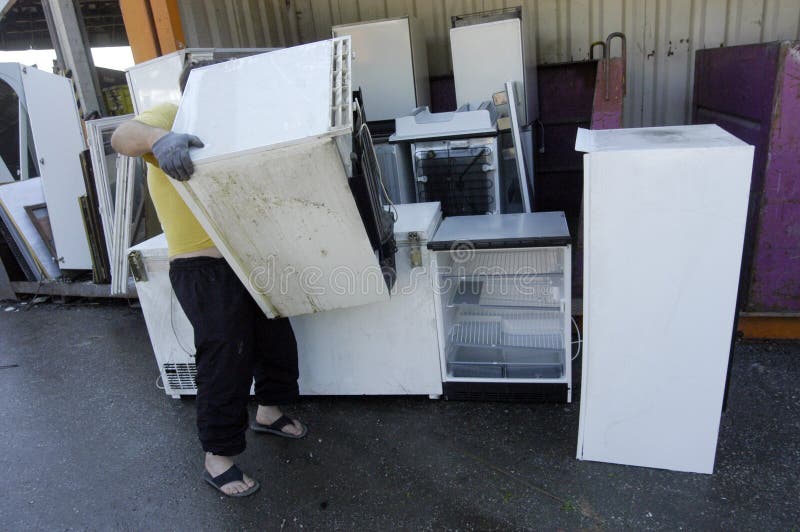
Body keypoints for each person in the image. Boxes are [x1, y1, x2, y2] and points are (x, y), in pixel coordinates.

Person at [111, 60, 306, 498]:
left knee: (276, 338)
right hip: (202, 266)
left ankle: (269, 412)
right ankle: (218, 458)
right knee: (226, 357)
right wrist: (160, 139)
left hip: (250, 257)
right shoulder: (169, 115)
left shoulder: (240, 125)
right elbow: (121, 137)